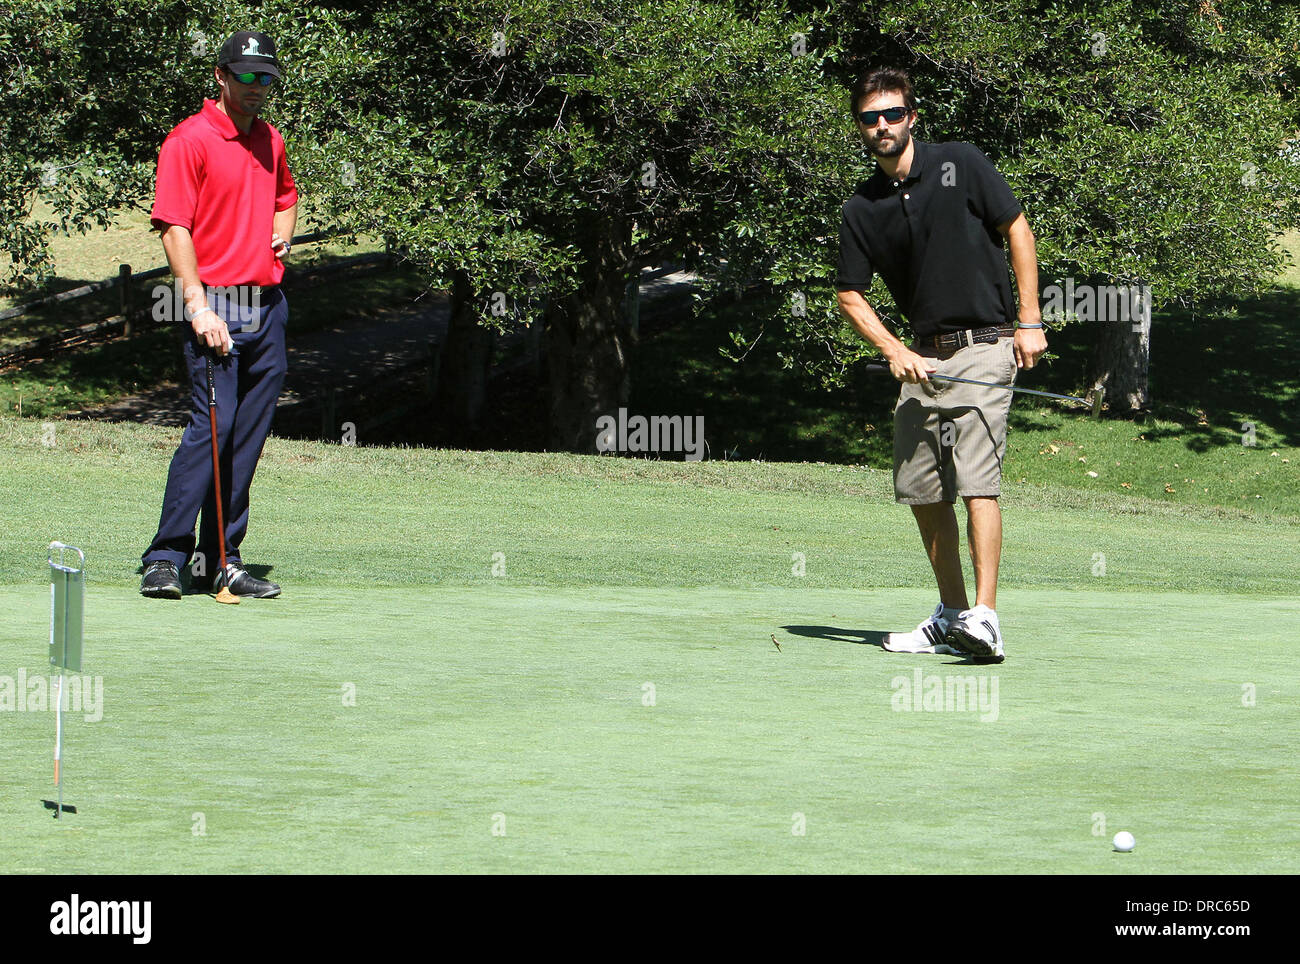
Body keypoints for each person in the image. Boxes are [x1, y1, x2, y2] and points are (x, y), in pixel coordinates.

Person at [835, 67, 1047, 661]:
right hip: (922, 358)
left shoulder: (961, 162)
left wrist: (1029, 321)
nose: (882, 126)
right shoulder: (861, 208)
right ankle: (952, 614)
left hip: (987, 343)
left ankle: (986, 616)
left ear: (912, 117)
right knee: (924, 489)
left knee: (977, 480)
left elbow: (1017, 229)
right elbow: (850, 291)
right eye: (870, 118)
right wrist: (895, 351)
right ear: (860, 128)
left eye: (892, 114)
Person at [139, 30, 298, 600]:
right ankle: (165, 557)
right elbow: (173, 226)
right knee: (212, 429)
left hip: (267, 308)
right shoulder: (189, 140)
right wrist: (198, 305)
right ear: (222, 76)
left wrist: (281, 237)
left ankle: (221, 561)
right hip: (215, 306)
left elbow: (286, 196)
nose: (259, 88)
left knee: (246, 439)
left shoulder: (270, 139)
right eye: (248, 76)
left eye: (267, 79)